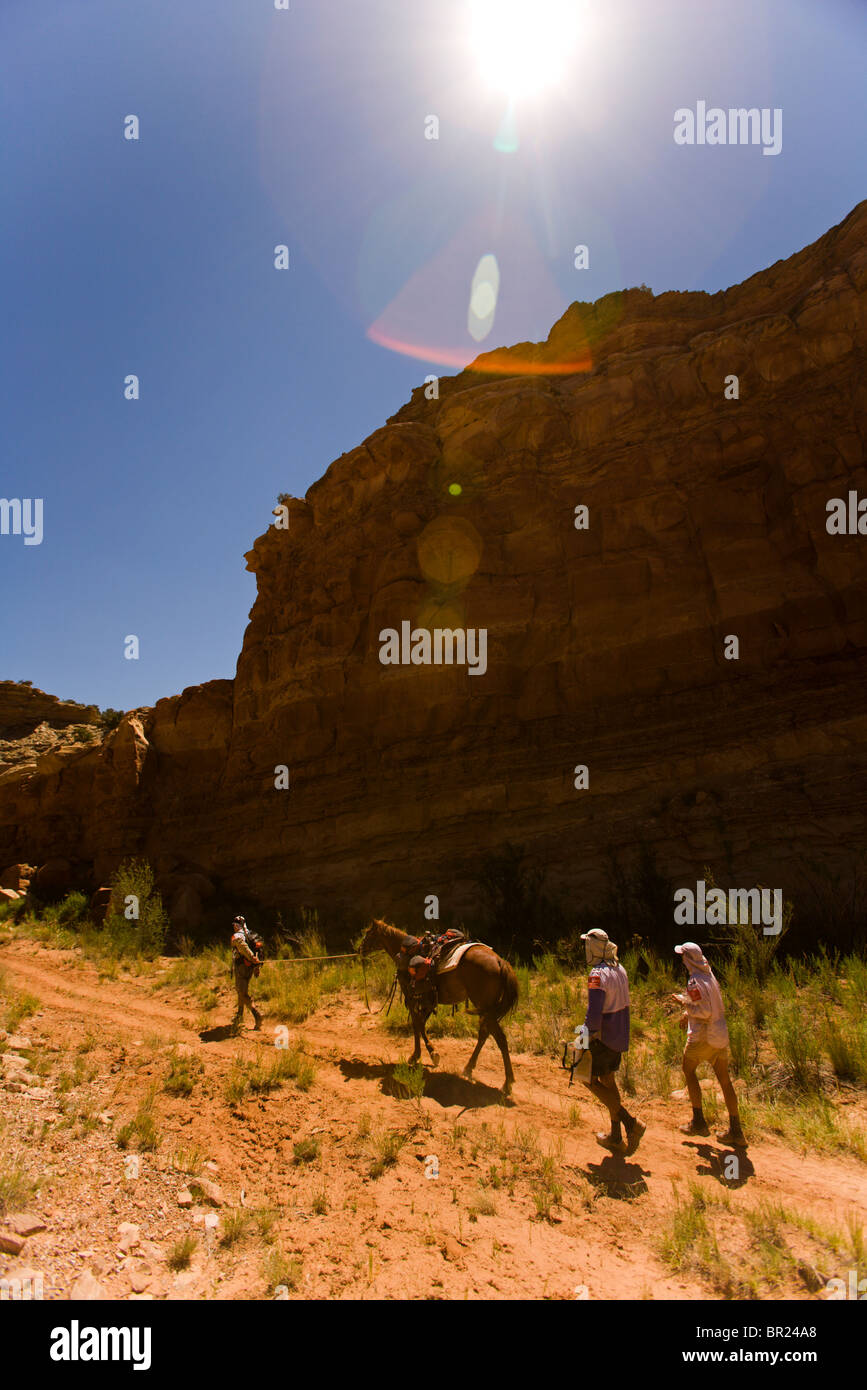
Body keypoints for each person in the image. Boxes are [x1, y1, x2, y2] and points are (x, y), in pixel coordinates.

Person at [671, 941, 745, 1146]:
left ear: (688, 959)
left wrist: (683, 1002)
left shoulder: (694, 981)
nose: (682, 961)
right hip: (719, 1034)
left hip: (703, 1036)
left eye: (683, 957)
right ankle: (736, 1130)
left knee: (688, 1070)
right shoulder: (710, 976)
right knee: (724, 1080)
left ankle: (699, 1121)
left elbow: (703, 1011)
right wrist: (688, 1012)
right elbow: (708, 1004)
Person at [580, 928, 645, 1155]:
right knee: (608, 1081)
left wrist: (584, 1037)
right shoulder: (620, 969)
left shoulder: (597, 974)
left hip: (603, 1036)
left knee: (585, 1077)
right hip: (620, 1035)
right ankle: (616, 1136)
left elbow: (594, 1013)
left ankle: (631, 1123)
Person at [230, 915, 263, 1032]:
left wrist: (252, 958)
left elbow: (243, 947)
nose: (233, 927)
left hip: (241, 967)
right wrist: (256, 965)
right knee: (242, 991)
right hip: (249, 968)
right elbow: (258, 950)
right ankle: (239, 1015)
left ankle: (256, 1014)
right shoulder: (251, 934)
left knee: (242, 992)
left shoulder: (237, 936)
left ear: (235, 925)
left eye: (234, 925)